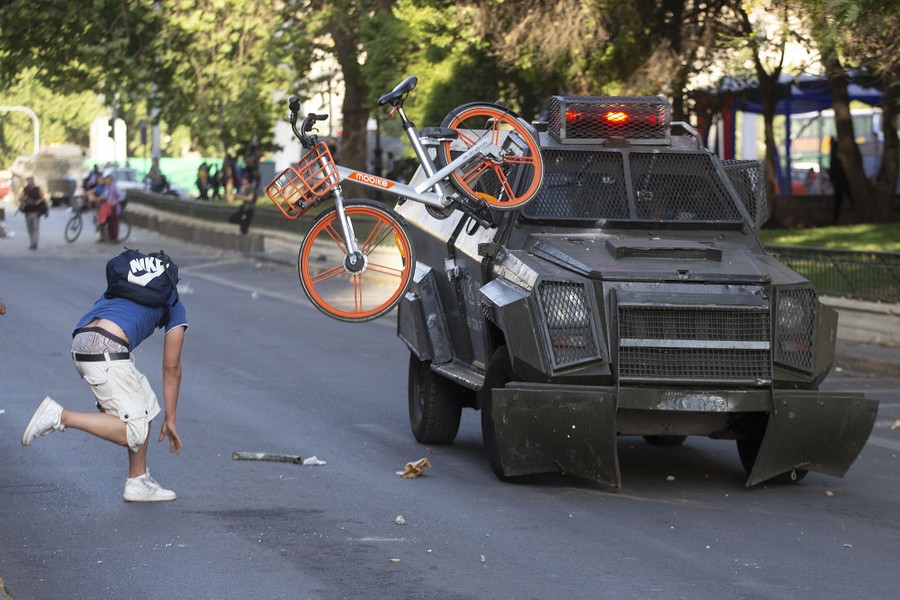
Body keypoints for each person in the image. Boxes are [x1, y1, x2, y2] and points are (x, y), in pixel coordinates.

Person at [21, 255, 188, 502]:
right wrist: (171, 418)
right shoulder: (171, 300)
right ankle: (60, 416)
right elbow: (171, 367)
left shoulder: (121, 287)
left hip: (83, 341)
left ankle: (138, 480)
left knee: (145, 403)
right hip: (108, 350)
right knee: (135, 431)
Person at [18, 176, 49, 250]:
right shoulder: (25, 190)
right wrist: (24, 198)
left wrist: (38, 202)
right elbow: (20, 198)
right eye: (29, 181)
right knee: (30, 229)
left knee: (35, 228)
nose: (30, 182)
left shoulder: (38, 189)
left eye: (31, 180)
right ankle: (32, 242)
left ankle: (34, 243)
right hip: (28, 212)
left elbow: (43, 198)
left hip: (36, 212)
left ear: (33, 181)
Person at [829, 136, 853, 224]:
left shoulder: (835, 154)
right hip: (843, 180)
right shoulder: (838, 154)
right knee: (848, 198)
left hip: (840, 180)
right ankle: (835, 220)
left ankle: (835, 220)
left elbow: (832, 167)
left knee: (839, 201)